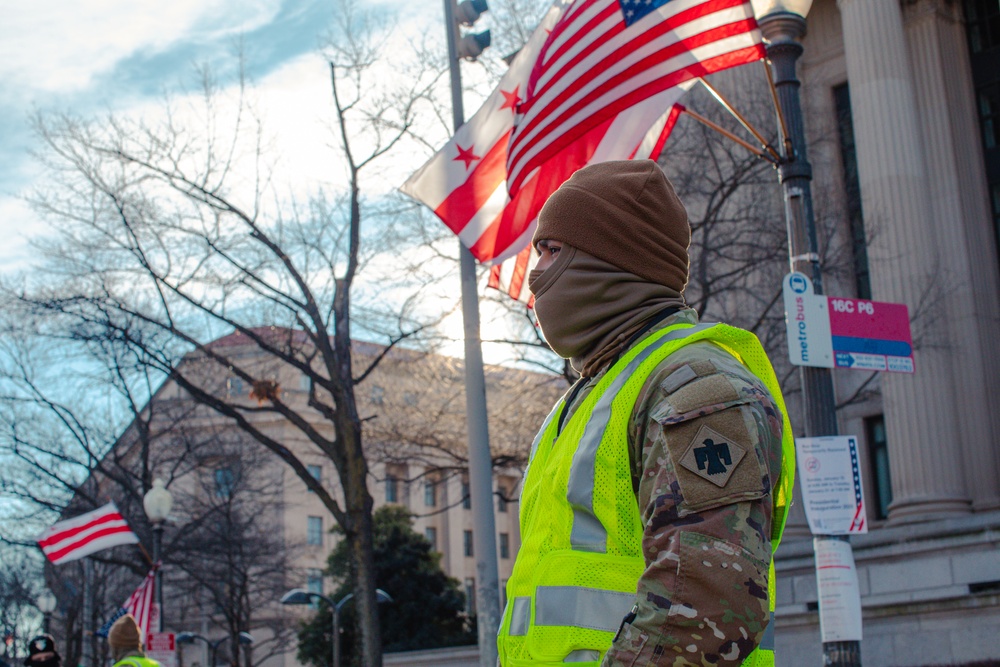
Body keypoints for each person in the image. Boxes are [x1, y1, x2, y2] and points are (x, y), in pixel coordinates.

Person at [496, 160, 795, 667]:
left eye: (551, 250)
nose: (535, 274)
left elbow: (705, 608)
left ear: (612, 258)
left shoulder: (699, 388)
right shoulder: (597, 391)